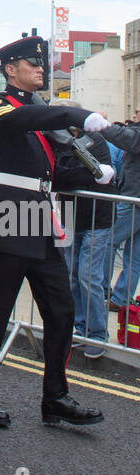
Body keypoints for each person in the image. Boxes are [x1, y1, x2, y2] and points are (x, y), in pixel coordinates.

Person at [0, 34, 106, 429]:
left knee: (61, 311)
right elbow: (26, 121)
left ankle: (56, 396)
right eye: (33, 64)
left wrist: (95, 174)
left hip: (40, 217)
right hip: (8, 213)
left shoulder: (39, 112)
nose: (41, 69)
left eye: (42, 64)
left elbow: (52, 173)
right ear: (10, 70)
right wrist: (75, 114)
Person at [53, 118, 117, 360]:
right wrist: (76, 175)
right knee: (70, 275)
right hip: (70, 216)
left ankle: (97, 334)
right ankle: (82, 329)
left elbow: (94, 173)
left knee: (88, 276)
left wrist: (72, 175)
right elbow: (60, 174)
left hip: (97, 218)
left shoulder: (94, 140)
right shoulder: (57, 141)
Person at [102, 108, 140, 323]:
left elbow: (126, 139)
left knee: (108, 241)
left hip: (133, 199)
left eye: (138, 112)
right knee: (135, 256)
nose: (135, 114)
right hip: (134, 198)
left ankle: (103, 290)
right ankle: (122, 298)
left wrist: (100, 124)